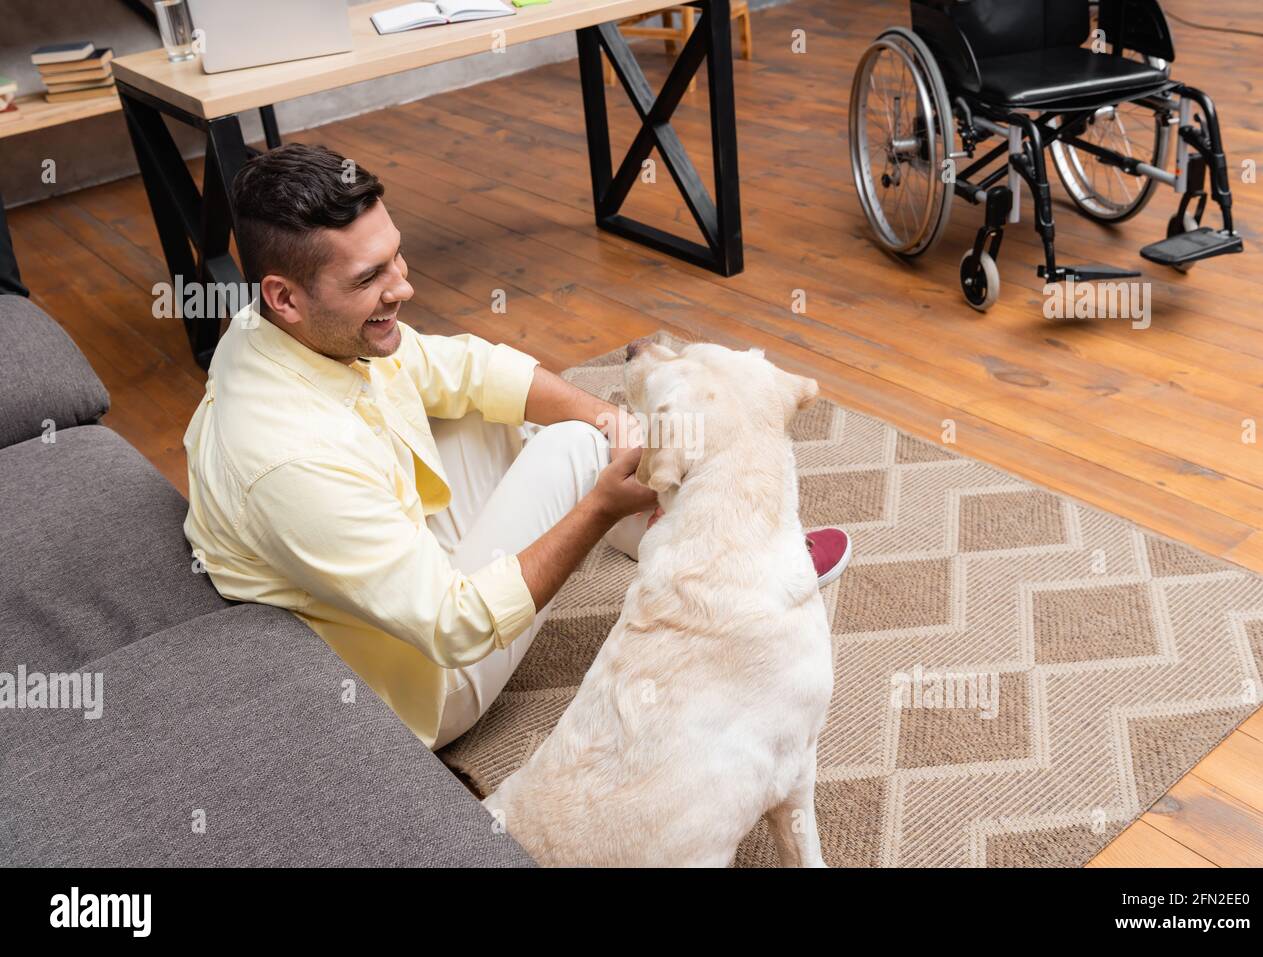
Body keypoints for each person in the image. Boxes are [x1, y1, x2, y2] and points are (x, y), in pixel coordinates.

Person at [183, 143, 850, 752]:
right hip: (414, 681)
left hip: (378, 569)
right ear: (285, 296)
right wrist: (596, 504)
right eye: (369, 279)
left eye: (396, 257)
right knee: (567, 454)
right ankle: (733, 559)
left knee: (521, 418)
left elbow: (466, 370)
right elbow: (455, 623)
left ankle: (702, 539)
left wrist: (604, 418)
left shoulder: (283, 323)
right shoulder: (288, 457)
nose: (404, 287)